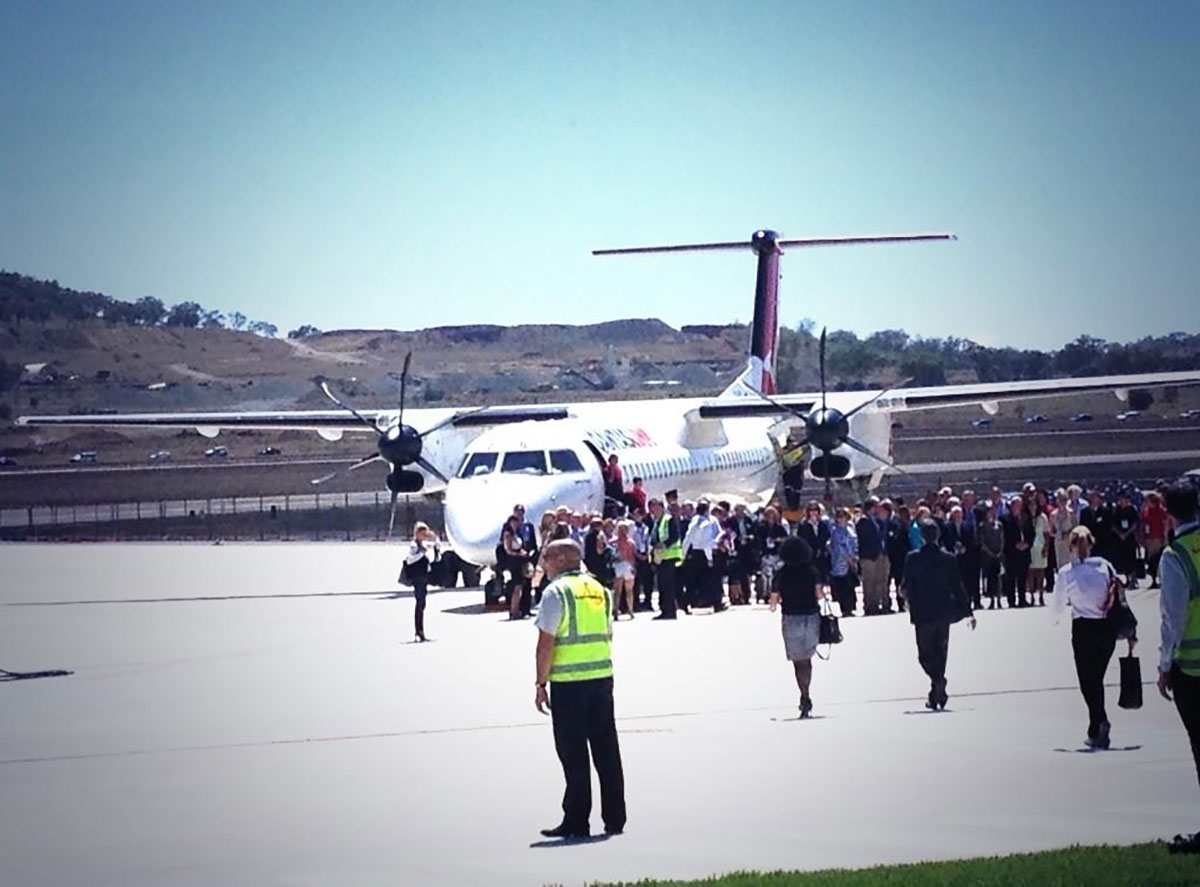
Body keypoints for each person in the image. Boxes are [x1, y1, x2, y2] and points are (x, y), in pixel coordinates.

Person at [534, 540, 625, 839]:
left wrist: (540, 683)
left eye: (546, 558)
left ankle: (576, 819)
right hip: (601, 678)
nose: (543, 564)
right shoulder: (600, 589)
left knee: (573, 754)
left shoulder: (556, 592)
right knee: (606, 750)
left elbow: (545, 644)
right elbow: (607, 632)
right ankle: (615, 818)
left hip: (569, 684)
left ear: (561, 559)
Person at [1054, 525, 1129, 750]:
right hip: (1106, 628)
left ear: (1071, 547)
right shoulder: (1104, 566)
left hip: (1083, 628)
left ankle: (1100, 722)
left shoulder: (1067, 572)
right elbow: (1121, 597)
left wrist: (1055, 617)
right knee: (1096, 678)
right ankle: (1095, 726)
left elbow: (1057, 606)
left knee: (1089, 681)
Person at [1156, 481, 1200, 853]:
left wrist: (1164, 664)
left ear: (1169, 511)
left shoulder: (1175, 556)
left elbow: (1174, 616)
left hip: (1192, 668)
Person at [901, 519, 976, 710]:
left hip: (923, 613)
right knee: (940, 653)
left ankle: (938, 684)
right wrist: (968, 611)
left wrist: (905, 596)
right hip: (943, 612)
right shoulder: (948, 558)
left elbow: (906, 585)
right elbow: (958, 586)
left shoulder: (913, 558)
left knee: (925, 655)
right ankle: (937, 692)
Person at [769, 536, 822, 718]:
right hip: (810, 615)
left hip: (791, 617)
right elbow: (820, 594)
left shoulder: (782, 572)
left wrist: (774, 604)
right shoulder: (811, 571)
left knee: (797, 660)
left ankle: (804, 693)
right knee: (807, 658)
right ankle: (806, 691)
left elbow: (773, 600)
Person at [402, 522, 440, 642]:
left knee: (422, 604)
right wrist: (422, 554)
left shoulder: (423, 545)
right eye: (422, 534)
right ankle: (418, 631)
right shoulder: (414, 546)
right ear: (417, 534)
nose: (425, 536)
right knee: (419, 604)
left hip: (424, 577)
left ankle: (420, 631)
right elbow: (409, 560)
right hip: (417, 577)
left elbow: (434, 558)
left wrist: (436, 545)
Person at [682, 500, 723, 611]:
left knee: (711, 579)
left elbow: (719, 533)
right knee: (699, 579)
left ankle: (716, 603)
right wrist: (709, 559)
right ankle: (687, 602)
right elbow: (704, 542)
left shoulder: (711, 520)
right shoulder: (698, 522)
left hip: (707, 551)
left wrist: (683, 554)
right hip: (702, 553)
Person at [856, 497, 891, 615]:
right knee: (869, 581)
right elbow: (865, 539)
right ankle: (870, 606)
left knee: (880, 580)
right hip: (869, 556)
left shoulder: (876, 520)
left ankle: (879, 604)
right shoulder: (863, 520)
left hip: (879, 553)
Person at [650, 499, 682, 619]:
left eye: (656, 508)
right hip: (660, 558)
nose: (654, 511)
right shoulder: (657, 522)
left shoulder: (668, 520)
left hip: (669, 557)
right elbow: (653, 538)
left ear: (662, 508)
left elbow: (674, 536)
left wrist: (663, 544)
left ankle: (670, 611)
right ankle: (665, 610)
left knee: (668, 586)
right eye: (653, 508)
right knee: (662, 585)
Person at [1001, 495, 1034, 607]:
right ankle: (1011, 600)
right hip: (1011, 552)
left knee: (1022, 577)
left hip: (1024, 551)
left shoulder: (1026, 517)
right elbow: (1004, 535)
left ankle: (1022, 599)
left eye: (1019, 504)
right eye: (1015, 504)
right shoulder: (1005, 518)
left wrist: (1027, 543)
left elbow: (1031, 533)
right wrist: (1015, 545)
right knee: (1011, 577)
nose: (1017, 507)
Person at [755, 506, 789, 605]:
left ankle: (777, 594)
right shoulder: (761, 527)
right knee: (766, 576)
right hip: (765, 554)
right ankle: (766, 594)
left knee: (777, 576)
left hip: (777, 554)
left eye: (772, 515)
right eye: (768, 515)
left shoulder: (779, 527)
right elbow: (758, 540)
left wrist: (778, 540)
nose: (770, 517)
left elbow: (786, 538)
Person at [829, 507, 859, 618]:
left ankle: (851, 607)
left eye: (844, 516)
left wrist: (855, 556)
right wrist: (847, 558)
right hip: (840, 561)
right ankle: (844, 608)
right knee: (842, 586)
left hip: (852, 560)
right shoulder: (835, 531)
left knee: (850, 585)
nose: (841, 519)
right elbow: (838, 546)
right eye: (839, 517)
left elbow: (855, 543)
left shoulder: (851, 528)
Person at [979, 505, 1004, 609]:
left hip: (998, 554)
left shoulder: (999, 524)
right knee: (989, 578)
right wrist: (990, 552)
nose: (991, 514)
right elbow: (982, 541)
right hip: (987, 555)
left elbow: (1002, 539)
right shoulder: (982, 525)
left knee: (998, 578)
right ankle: (992, 600)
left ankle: (999, 599)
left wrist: (1000, 551)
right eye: (989, 512)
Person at [1029, 489, 1052, 606]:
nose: (1033, 507)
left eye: (1034, 505)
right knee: (1031, 573)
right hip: (1030, 548)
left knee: (1040, 572)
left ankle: (1041, 596)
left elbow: (1047, 533)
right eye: (1031, 505)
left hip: (1040, 546)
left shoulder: (1042, 517)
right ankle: (1032, 596)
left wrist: (1046, 547)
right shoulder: (1026, 517)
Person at [1143, 491, 1169, 588]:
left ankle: (1162, 579)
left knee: (1158, 558)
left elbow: (1165, 524)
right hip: (1149, 537)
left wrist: (1165, 538)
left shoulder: (1161, 511)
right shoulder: (1146, 511)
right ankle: (1153, 579)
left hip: (1158, 538)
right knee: (1150, 560)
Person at [612, 520, 637, 619]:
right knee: (627, 590)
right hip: (625, 564)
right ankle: (628, 611)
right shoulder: (630, 542)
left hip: (621, 565)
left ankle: (619, 611)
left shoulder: (614, 542)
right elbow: (633, 556)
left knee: (620, 590)